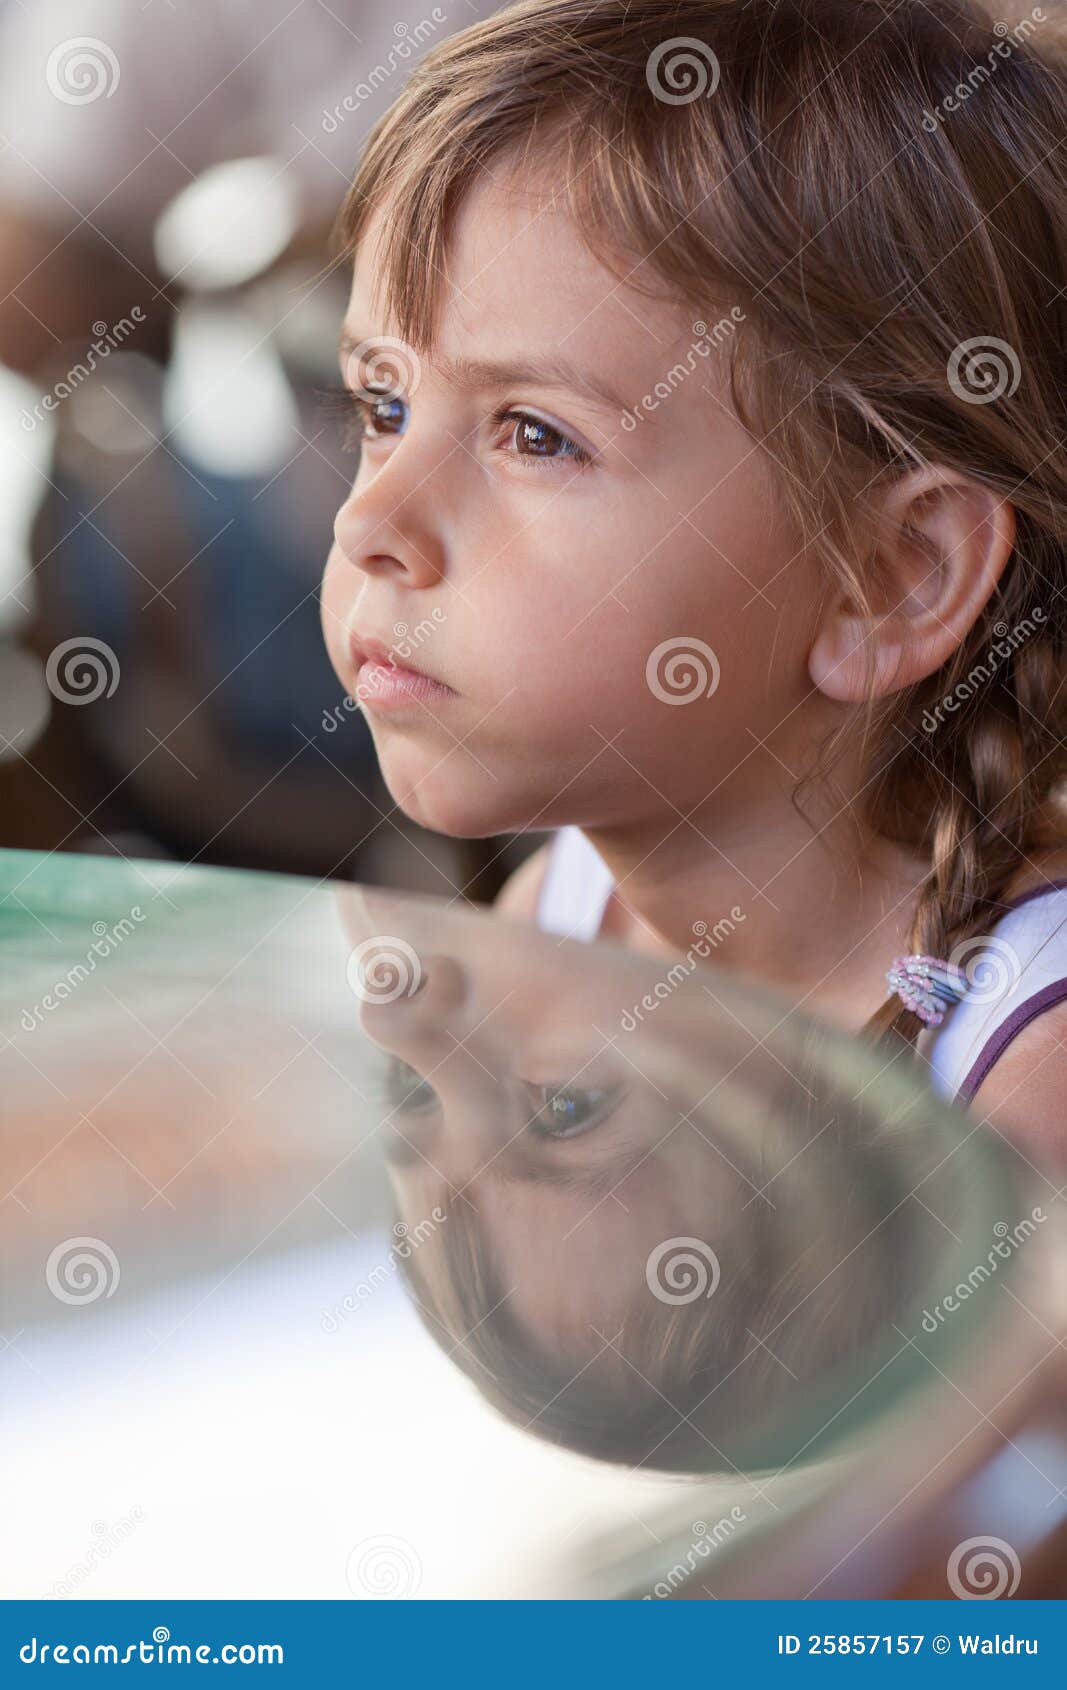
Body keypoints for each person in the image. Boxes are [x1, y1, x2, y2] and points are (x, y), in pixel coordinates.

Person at [320, 0, 1067, 1153]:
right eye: (384, 407)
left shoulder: (1028, 1084)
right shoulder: (564, 912)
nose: (372, 520)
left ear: (890, 576)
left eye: (534, 434)